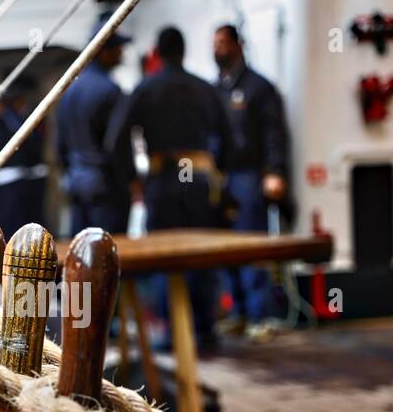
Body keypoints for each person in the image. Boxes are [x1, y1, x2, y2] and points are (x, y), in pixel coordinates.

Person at [107, 26, 234, 351]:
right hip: (200, 182)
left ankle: (172, 331)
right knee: (202, 252)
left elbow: (116, 140)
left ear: (157, 53)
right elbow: (233, 139)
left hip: (162, 181)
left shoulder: (145, 89)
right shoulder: (205, 89)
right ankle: (206, 330)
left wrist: (133, 180)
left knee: (165, 256)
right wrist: (218, 170)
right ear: (183, 51)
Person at [213, 24, 291, 326]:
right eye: (215, 43)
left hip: (249, 176)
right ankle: (239, 312)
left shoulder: (259, 88)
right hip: (223, 177)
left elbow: (275, 134)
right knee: (225, 248)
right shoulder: (217, 89)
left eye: (222, 43)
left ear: (237, 45)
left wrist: (275, 172)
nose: (218, 49)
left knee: (251, 246)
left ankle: (261, 315)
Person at [56, 25, 131, 235]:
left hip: (76, 182)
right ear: (104, 52)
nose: (121, 53)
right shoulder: (110, 90)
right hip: (105, 187)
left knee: (80, 253)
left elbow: (60, 143)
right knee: (107, 253)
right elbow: (118, 145)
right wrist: (129, 181)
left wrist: (71, 173)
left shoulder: (69, 90)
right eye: (118, 48)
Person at [0, 74, 48, 237]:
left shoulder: (8, 121)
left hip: (11, 179)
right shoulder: (6, 120)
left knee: (12, 226)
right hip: (14, 177)